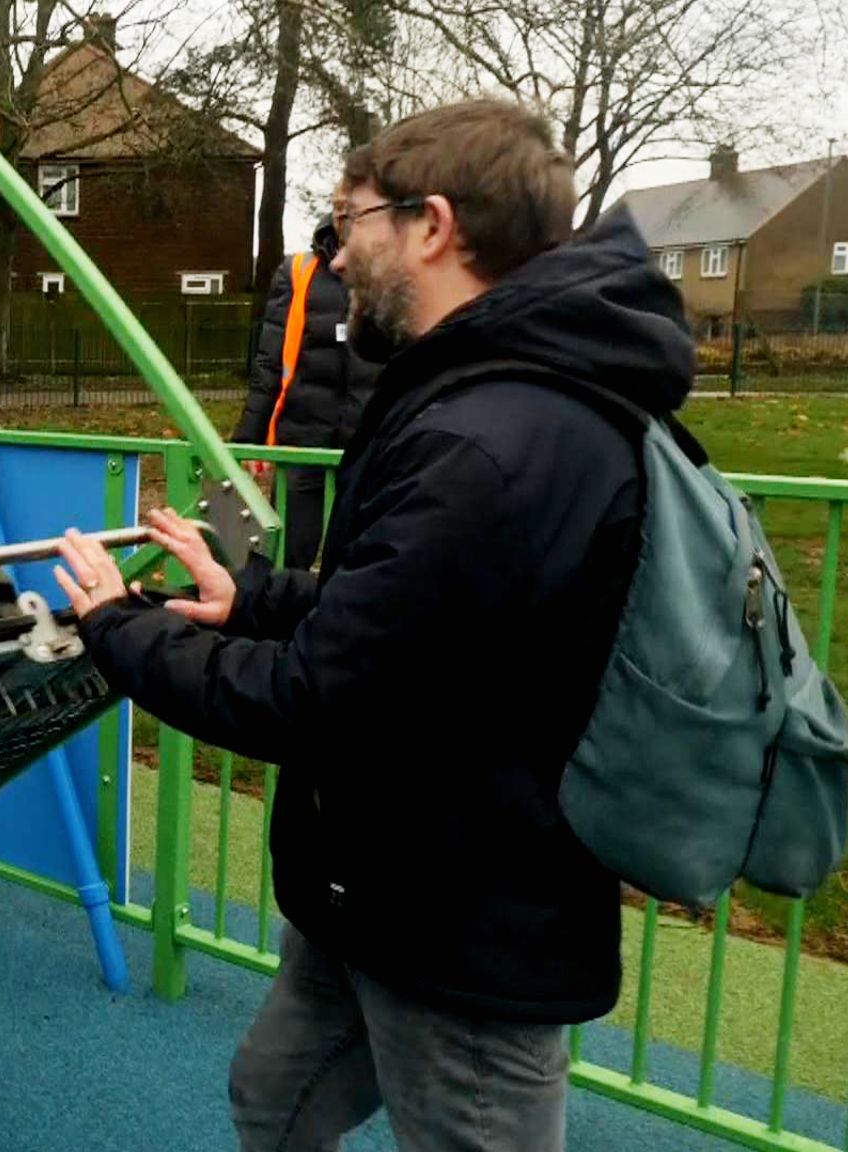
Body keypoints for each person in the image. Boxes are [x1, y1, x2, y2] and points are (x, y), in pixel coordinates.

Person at [53, 98, 694, 1150]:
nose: (334, 256)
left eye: (345, 221)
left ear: (429, 225)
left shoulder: (489, 441)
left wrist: (117, 626)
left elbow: (322, 696)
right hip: (384, 884)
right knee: (274, 1097)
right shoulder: (482, 401)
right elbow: (415, 628)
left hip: (462, 914)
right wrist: (246, 598)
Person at [232, 215, 381, 568]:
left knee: (361, 551)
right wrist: (246, 442)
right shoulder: (298, 272)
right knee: (288, 550)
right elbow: (269, 364)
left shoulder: (392, 274)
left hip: (369, 439)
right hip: (302, 436)